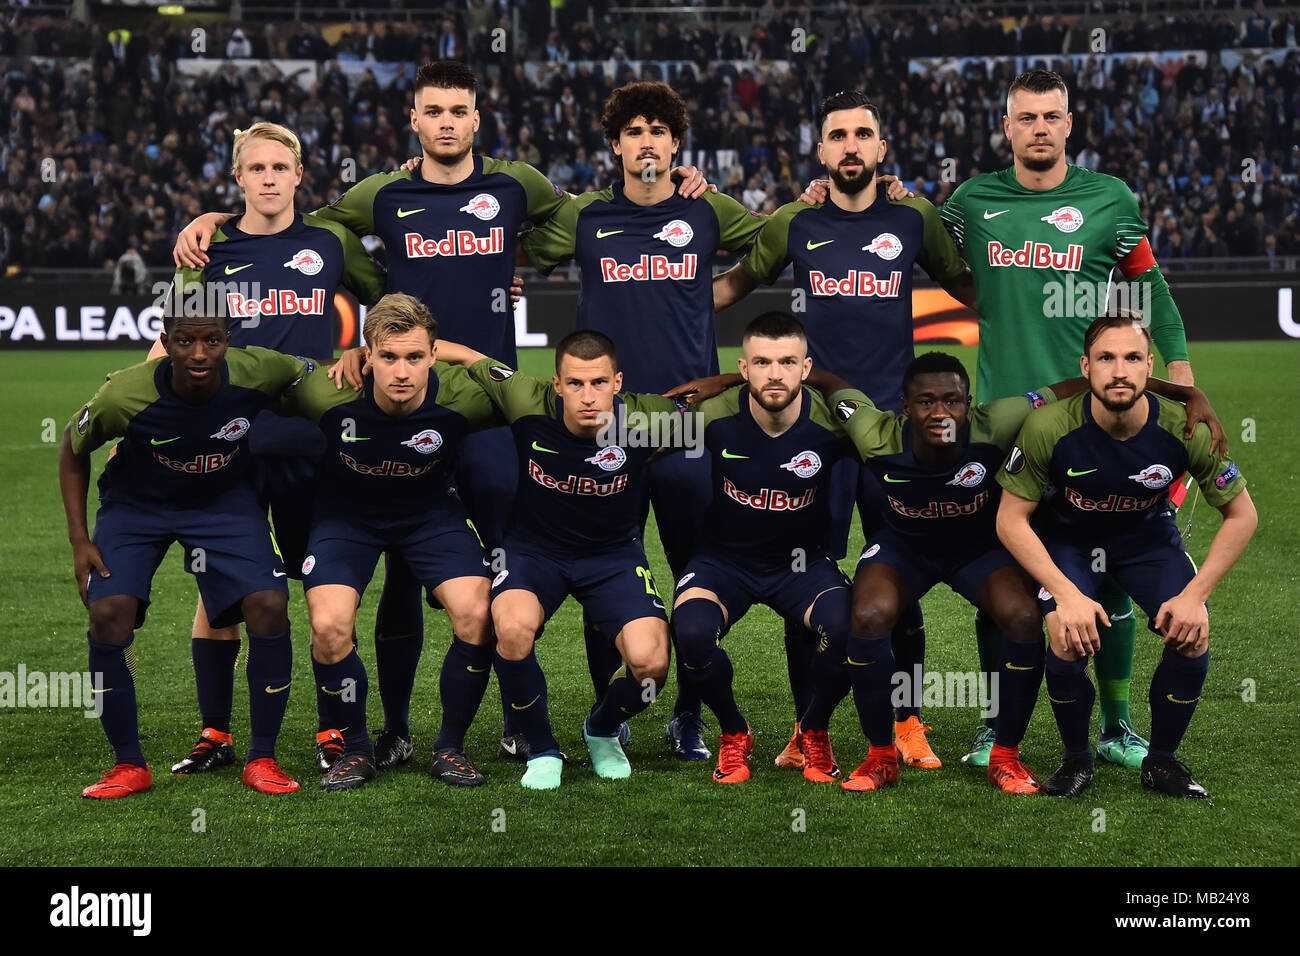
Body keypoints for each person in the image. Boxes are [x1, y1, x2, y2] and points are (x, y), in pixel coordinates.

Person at [798, 350, 1224, 793]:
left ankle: (1005, 756)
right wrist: (737, 379)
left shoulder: (997, 422)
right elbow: (826, 382)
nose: (940, 412)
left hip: (978, 550)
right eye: (925, 402)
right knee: (867, 616)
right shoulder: (874, 432)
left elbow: (1080, 387)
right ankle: (880, 756)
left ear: (970, 402)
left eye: (953, 400)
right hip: (905, 548)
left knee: (1023, 618)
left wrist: (1181, 392)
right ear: (905, 407)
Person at [936, 70, 1198, 770]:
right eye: (1027, 118)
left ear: (1070, 123)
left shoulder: (1109, 201)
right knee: (1001, 583)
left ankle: (1114, 726)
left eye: (1052, 116)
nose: (1040, 128)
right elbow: (923, 245)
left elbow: (1151, 291)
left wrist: (1181, 376)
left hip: (1092, 422)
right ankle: (996, 725)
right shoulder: (971, 201)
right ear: (1007, 125)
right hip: (997, 426)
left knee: (1105, 580)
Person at [712, 90, 977, 772]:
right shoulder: (793, 223)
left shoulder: (913, 216)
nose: (851, 145)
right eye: (838, 135)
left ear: (881, 148)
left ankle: (909, 721)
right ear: (821, 149)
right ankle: (809, 729)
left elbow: (973, 285)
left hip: (893, 437)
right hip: (813, 438)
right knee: (813, 587)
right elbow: (728, 288)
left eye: (864, 133)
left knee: (904, 584)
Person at [518, 80, 766, 764]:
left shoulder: (708, 209)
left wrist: (713, 293)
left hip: (684, 424)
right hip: (609, 425)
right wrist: (505, 280)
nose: (647, 141)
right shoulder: (585, 217)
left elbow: (776, 242)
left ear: (677, 144)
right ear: (616, 145)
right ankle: (613, 710)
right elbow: (517, 249)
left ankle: (686, 715)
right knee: (607, 570)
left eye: (659, 130)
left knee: (693, 577)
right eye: (634, 131)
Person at [159, 121, 387, 778]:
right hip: (226, 447)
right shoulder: (207, 250)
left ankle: (333, 729)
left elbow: (391, 301)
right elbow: (175, 343)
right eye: (254, 168)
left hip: (309, 445)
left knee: (321, 598)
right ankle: (215, 732)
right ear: (238, 178)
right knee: (221, 597)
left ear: (297, 175)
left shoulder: (329, 241)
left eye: (278, 168)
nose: (267, 179)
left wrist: (363, 347)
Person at [997, 313, 1255, 799]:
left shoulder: (1186, 428)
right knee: (1067, 635)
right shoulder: (1048, 427)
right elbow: (1010, 518)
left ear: (1149, 367)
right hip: (1068, 541)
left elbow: (1243, 516)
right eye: (1106, 358)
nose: (1120, 370)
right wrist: (1064, 594)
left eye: (1133, 358)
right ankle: (1077, 761)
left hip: (1147, 542)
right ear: (1086, 366)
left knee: (1192, 635)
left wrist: (1197, 595)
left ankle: (1161, 763)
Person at [58, 309, 309, 798]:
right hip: (137, 505)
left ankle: (262, 758)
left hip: (224, 503)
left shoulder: (260, 368)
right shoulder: (125, 393)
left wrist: (356, 359)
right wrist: (79, 540)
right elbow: (71, 445)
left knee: (269, 604)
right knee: (109, 612)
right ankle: (128, 764)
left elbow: (313, 374)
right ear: (165, 342)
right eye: (185, 341)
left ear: (228, 341)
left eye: (212, 340)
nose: (199, 354)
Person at [435, 330, 681, 790]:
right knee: (510, 627)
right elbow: (468, 355)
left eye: (599, 383)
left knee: (651, 664)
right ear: (556, 384)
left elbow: (723, 416)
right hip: (534, 553)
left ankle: (602, 728)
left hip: (613, 557)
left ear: (617, 382)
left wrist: (722, 379)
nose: (587, 397)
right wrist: (369, 351)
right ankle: (543, 749)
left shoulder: (651, 416)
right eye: (575, 384)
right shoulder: (525, 399)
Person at [276, 294, 502, 790]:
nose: (402, 371)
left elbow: (534, 394)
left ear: (434, 354)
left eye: (416, 357)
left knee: (479, 615)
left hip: (431, 516)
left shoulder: (464, 393)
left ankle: (450, 747)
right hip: (346, 519)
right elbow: (248, 385)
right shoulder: (327, 391)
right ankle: (355, 748)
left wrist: (468, 357)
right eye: (389, 357)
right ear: (367, 355)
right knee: (329, 626)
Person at [668, 314, 870, 787]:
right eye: (761, 362)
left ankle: (812, 730)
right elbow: (635, 442)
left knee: (847, 629)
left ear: (807, 368)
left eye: (786, 362)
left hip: (801, 567)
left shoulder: (834, 424)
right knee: (692, 633)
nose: (774, 373)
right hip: (723, 563)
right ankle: (735, 732)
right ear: (743, 368)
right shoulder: (712, 415)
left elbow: (887, 439)